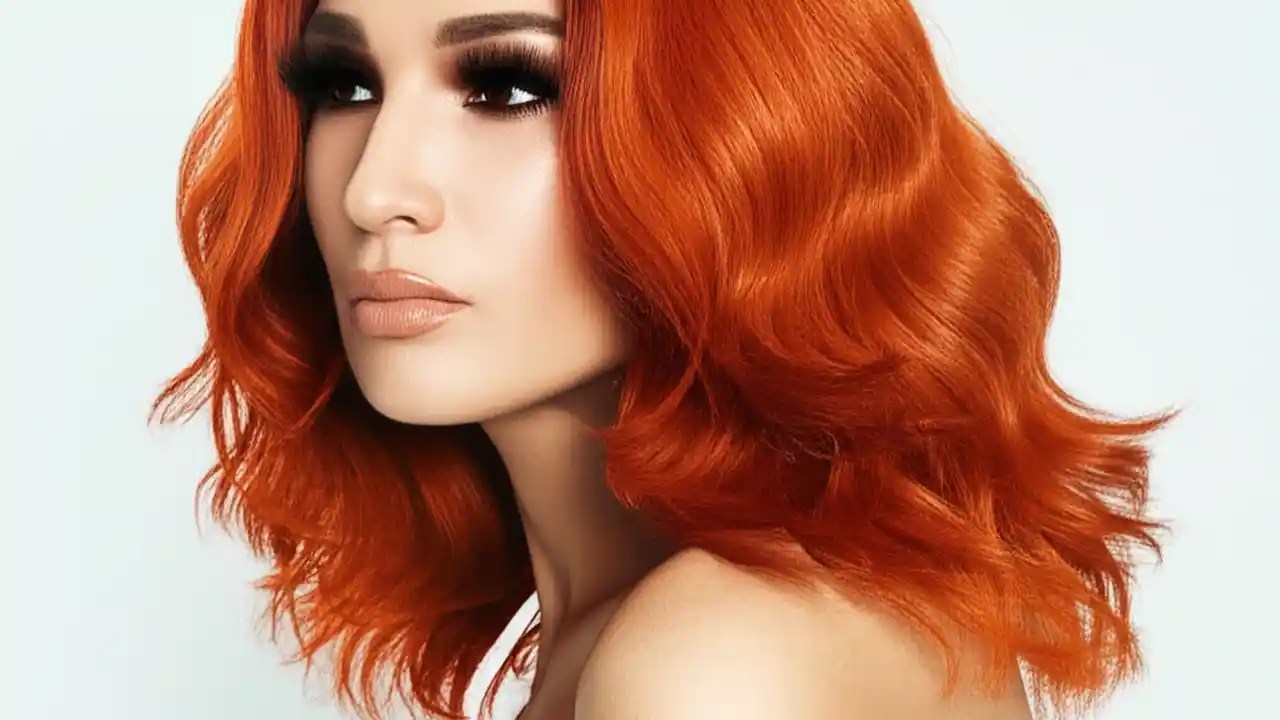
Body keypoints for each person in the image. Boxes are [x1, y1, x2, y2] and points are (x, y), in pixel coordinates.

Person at [152, 0, 1180, 718]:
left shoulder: (717, 657)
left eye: (506, 86)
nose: (374, 190)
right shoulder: (700, 626)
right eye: (343, 83)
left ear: (744, 131)